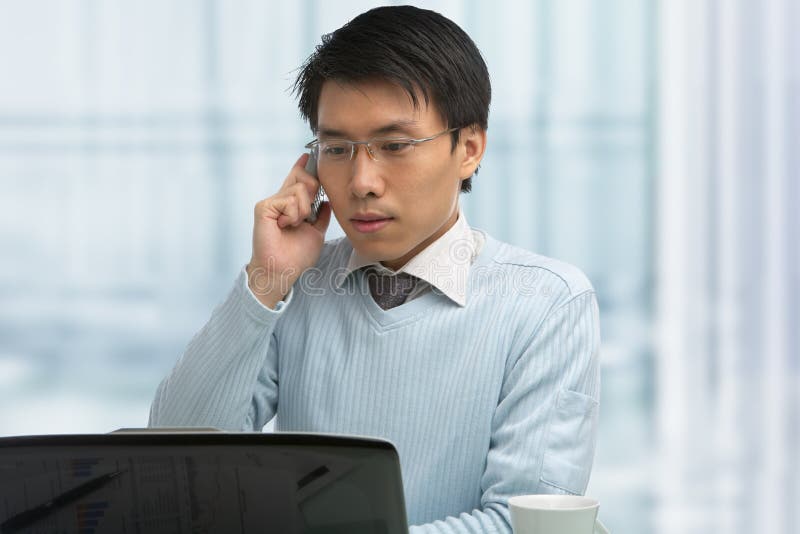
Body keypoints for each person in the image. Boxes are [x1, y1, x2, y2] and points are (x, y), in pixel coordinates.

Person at [149, 5, 600, 533]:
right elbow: (173, 462)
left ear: (469, 148)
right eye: (336, 148)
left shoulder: (544, 303)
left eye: (394, 146)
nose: (362, 180)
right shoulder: (300, 284)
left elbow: (527, 524)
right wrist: (265, 283)